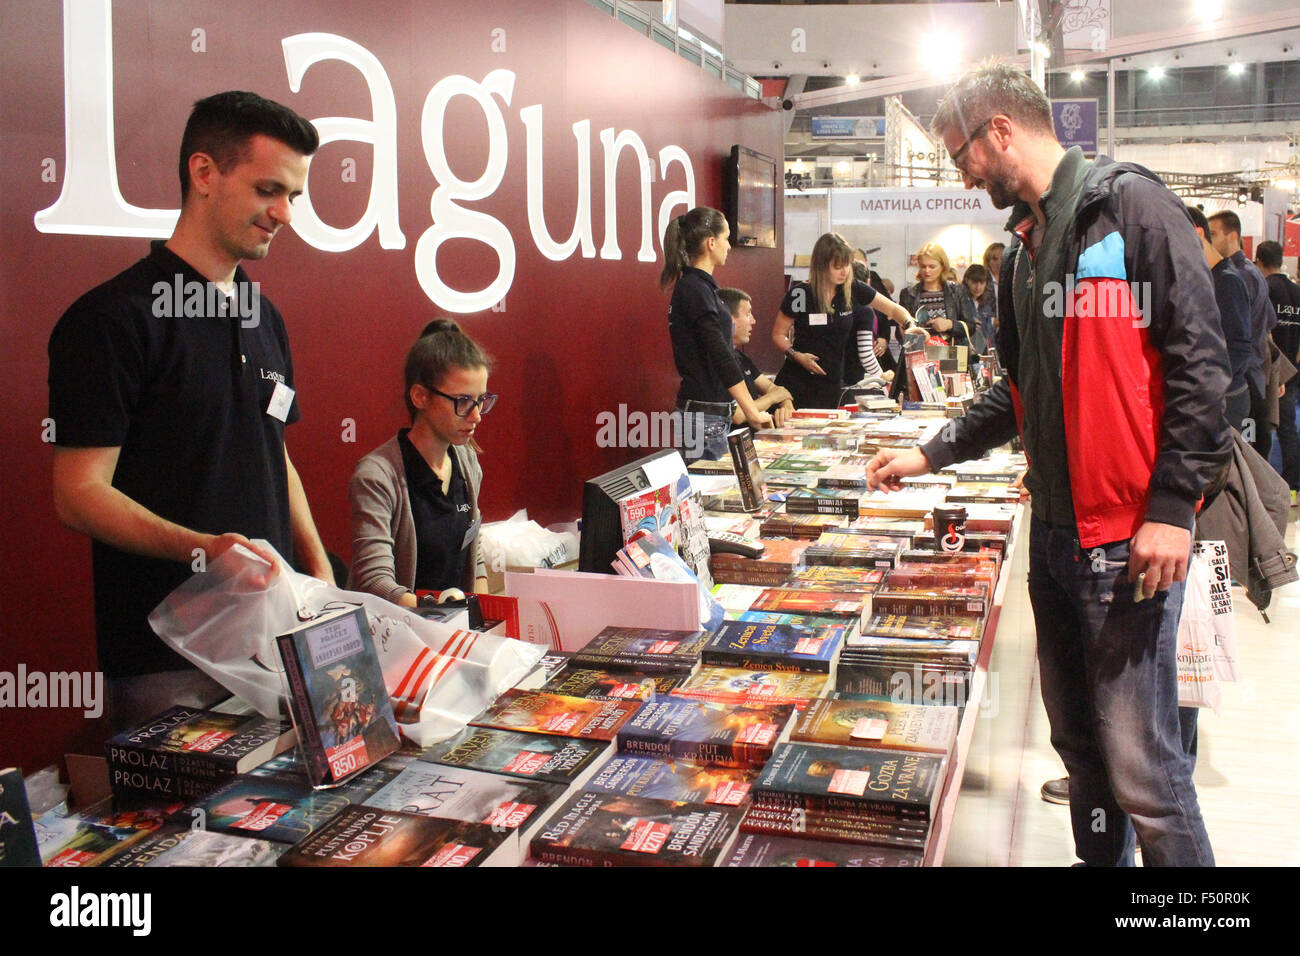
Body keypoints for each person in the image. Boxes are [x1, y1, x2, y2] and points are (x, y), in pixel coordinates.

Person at [865, 62, 1230, 867]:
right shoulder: (1024, 253)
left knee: (1147, 773)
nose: (962, 176)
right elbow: (1017, 391)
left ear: (1001, 129)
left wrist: (1172, 506)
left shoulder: (1130, 209)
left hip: (1128, 543)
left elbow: (1204, 369)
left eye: (961, 154)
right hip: (1058, 544)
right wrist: (929, 451)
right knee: (1085, 758)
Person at [48, 91, 333, 731]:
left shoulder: (264, 317)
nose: (284, 214)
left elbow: (273, 450)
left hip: (278, 644)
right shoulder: (111, 320)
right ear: (204, 174)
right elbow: (78, 494)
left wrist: (317, 570)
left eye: (295, 196)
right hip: (167, 667)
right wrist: (204, 549)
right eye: (269, 189)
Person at [348, 320, 491, 606]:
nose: (476, 416)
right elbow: (375, 582)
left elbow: (474, 554)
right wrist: (439, 614)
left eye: (481, 400)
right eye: (463, 401)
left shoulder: (467, 461)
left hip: (452, 631)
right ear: (420, 397)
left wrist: (482, 618)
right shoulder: (377, 476)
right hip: (399, 635)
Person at [661, 207, 772, 461]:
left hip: (712, 413)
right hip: (703, 417)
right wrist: (751, 411)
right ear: (711, 243)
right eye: (726, 238)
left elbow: (723, 354)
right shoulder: (694, 289)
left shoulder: (702, 288)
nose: (729, 246)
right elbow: (720, 353)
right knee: (709, 493)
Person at [772, 232, 914, 410]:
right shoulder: (800, 293)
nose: (844, 271)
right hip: (798, 382)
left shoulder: (853, 288)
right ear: (822, 266)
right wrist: (796, 355)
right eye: (837, 266)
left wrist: (910, 325)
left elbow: (893, 309)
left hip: (831, 383)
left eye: (847, 265)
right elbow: (778, 334)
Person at [1208, 209, 1278, 460]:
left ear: (1232, 235)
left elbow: (1239, 338)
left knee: (1241, 461)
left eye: (1213, 234)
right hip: (1254, 375)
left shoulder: (1233, 277)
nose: (1208, 240)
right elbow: (1269, 321)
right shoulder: (1252, 272)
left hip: (1241, 378)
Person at [1187, 205, 1253, 430]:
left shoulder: (1227, 281)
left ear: (1197, 234)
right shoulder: (1211, 278)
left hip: (1226, 399)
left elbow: (1240, 347)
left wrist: (1210, 387)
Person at [1255, 239, 1300, 504]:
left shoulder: (1264, 288)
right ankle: (1292, 484)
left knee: (1266, 427)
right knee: (1288, 429)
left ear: (1259, 261)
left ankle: (1269, 488)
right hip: (1292, 370)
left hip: (1268, 370)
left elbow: (1264, 332)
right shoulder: (1296, 292)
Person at [716, 288, 795, 428]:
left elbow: (776, 388)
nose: (753, 321)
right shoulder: (716, 362)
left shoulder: (742, 358)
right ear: (728, 319)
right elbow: (737, 415)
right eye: (747, 314)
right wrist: (773, 398)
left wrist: (786, 405)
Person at [898, 242, 978, 353]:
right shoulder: (908, 294)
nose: (927, 271)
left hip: (951, 356)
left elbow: (971, 327)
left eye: (932, 266)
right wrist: (908, 332)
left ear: (942, 267)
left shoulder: (957, 291)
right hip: (919, 358)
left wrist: (950, 324)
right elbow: (900, 333)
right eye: (923, 266)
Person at [962, 263, 997, 349]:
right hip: (967, 350)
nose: (978, 287)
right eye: (974, 282)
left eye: (982, 283)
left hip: (986, 350)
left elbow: (990, 333)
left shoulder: (986, 303)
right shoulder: (960, 301)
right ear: (967, 281)